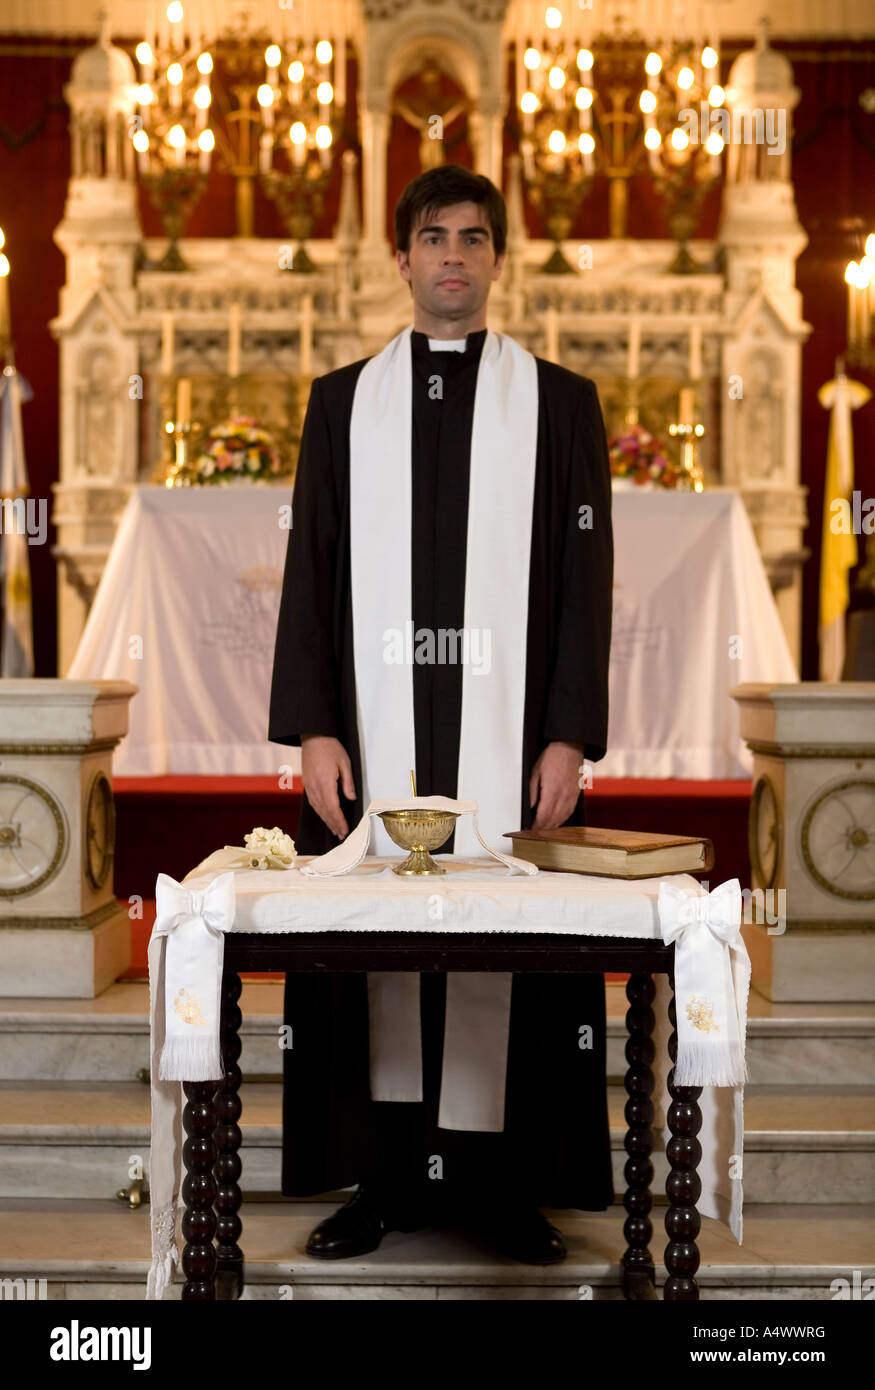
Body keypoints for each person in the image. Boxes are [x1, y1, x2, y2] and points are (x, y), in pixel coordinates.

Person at [269, 164, 614, 1266]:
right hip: (376, 735)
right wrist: (316, 723)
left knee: (505, 934)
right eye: (432, 237)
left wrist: (565, 731)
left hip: (507, 738)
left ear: (496, 257)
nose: (453, 255)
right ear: (402, 257)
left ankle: (505, 1188)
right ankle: (379, 1179)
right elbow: (311, 568)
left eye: (472, 236)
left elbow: (583, 574)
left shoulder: (560, 405)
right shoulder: (342, 401)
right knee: (377, 934)